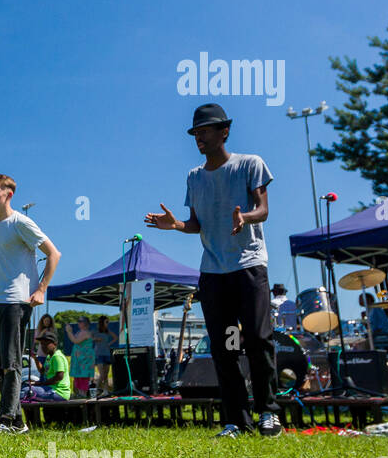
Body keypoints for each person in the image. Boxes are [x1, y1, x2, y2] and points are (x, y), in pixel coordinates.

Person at [145, 103, 281, 437]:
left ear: (225, 131)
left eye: (205, 131)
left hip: (248, 265)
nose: (199, 137)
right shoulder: (194, 177)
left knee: (258, 340)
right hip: (213, 273)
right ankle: (236, 420)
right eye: (195, 133)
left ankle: (268, 413)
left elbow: (262, 210)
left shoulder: (251, 164)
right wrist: (175, 224)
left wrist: (244, 217)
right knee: (225, 347)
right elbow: (196, 224)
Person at [0, 174, 61, 434]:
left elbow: (53, 254)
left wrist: (41, 290)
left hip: (17, 301)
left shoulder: (21, 222)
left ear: (8, 194)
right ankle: (18, 422)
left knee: (11, 361)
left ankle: (5, 421)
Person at [22, 336, 70, 402]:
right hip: (50, 388)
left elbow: (59, 377)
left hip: (58, 392)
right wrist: (36, 359)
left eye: (46, 343)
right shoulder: (49, 357)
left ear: (55, 344)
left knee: (25, 392)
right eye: (41, 344)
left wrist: (41, 384)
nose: (43, 346)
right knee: (25, 387)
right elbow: (43, 371)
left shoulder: (57, 357)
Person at [65, 316, 95, 398]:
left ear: (85, 323)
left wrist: (69, 331)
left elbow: (75, 341)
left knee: (83, 379)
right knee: (78, 379)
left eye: (80, 321)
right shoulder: (80, 332)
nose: (78, 323)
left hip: (84, 361)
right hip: (79, 361)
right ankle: (80, 395)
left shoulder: (86, 332)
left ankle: (83, 396)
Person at [91, 316, 117, 394]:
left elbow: (115, 337)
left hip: (107, 354)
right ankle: (95, 391)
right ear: (102, 322)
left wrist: (109, 344)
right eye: (106, 322)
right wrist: (96, 339)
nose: (107, 324)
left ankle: (105, 391)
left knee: (105, 375)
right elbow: (89, 338)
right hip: (98, 354)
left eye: (108, 322)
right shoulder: (95, 331)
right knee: (102, 374)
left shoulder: (107, 331)